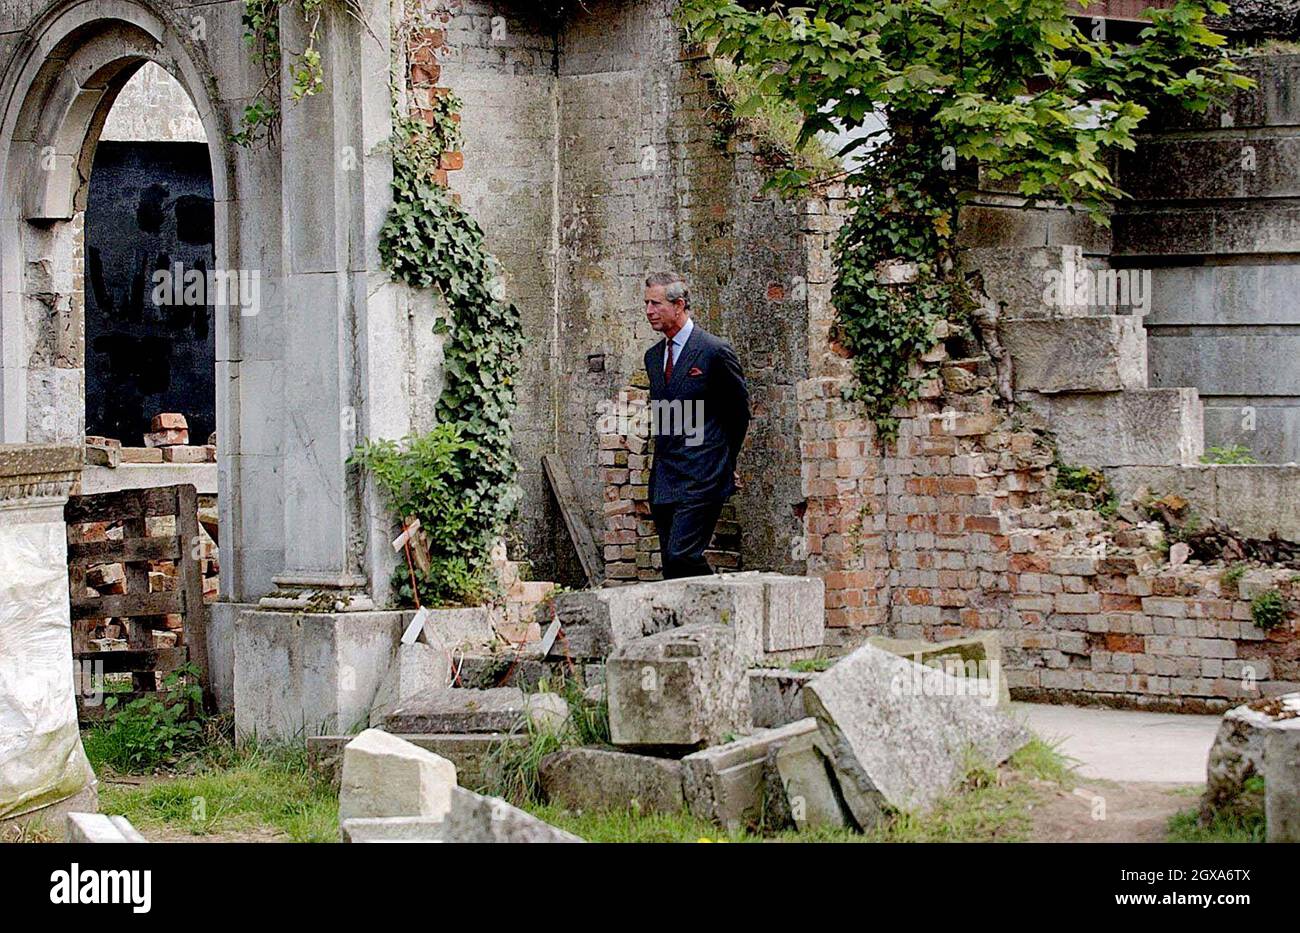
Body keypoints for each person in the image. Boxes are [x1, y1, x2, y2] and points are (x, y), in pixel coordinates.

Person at [642, 271, 750, 579]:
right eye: (646, 304)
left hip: (704, 473)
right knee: (672, 569)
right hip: (665, 478)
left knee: (683, 554)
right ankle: (695, 628)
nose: (649, 311)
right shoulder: (652, 358)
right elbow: (665, 418)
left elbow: (738, 414)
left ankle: (727, 604)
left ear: (678, 305)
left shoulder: (714, 351)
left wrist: (725, 463)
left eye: (656, 304)